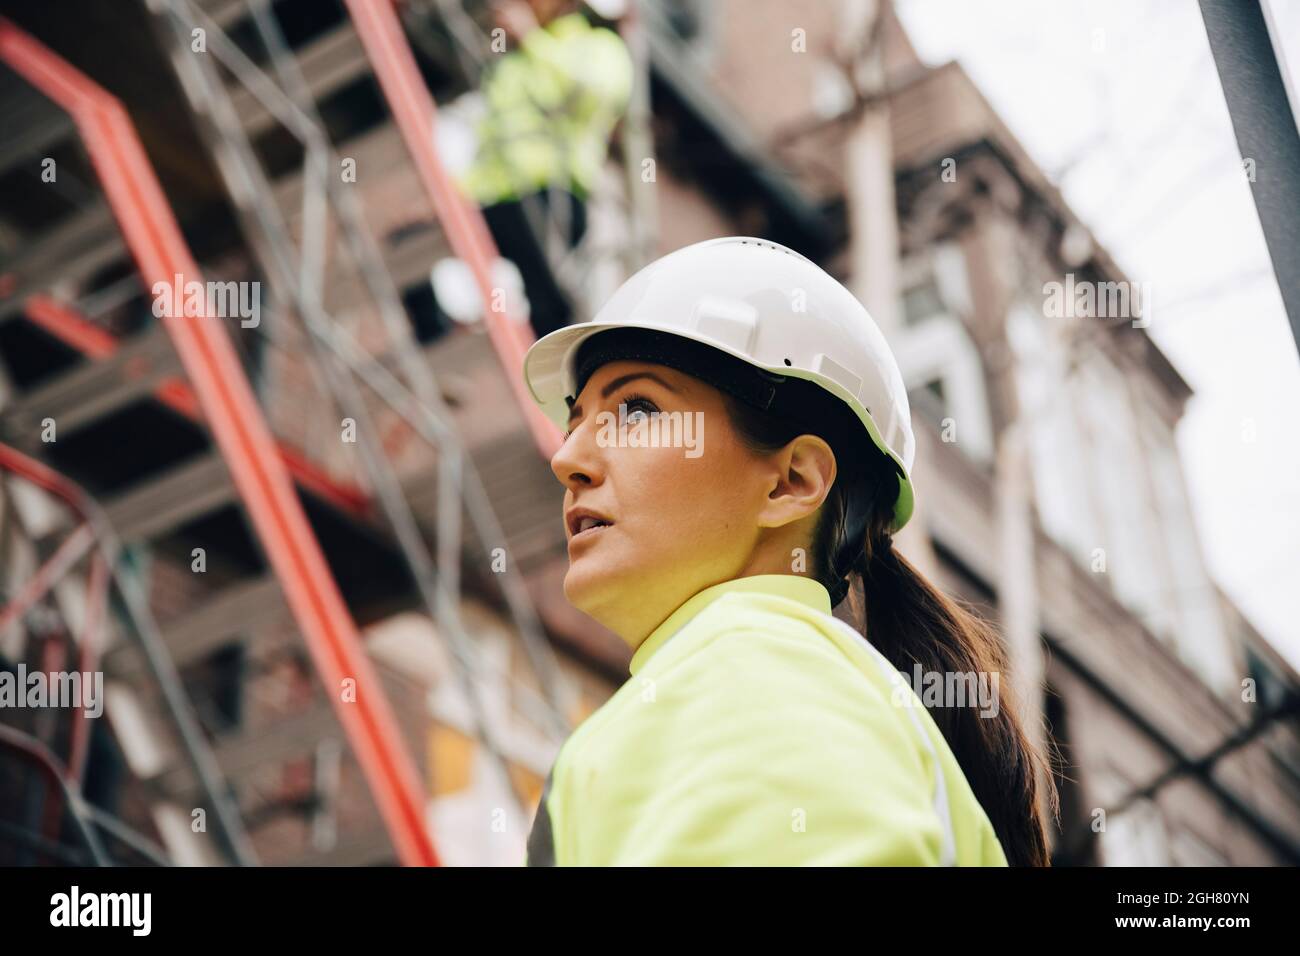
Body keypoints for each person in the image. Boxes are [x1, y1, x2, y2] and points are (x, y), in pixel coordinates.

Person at [519, 236, 1058, 866]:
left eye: (637, 410)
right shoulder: (776, 679)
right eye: (575, 422)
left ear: (791, 481)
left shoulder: (745, 670)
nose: (568, 459)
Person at [447, 0, 633, 340]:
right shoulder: (516, 57)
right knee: (420, 251)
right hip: (496, 192)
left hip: (551, 194)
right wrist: (457, 192)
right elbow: (494, 133)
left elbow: (588, 90)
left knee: (546, 301)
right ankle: (436, 333)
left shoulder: (601, 48)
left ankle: (552, 370)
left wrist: (531, 39)